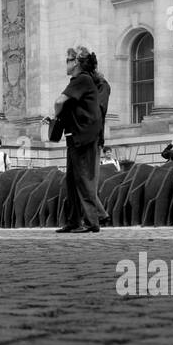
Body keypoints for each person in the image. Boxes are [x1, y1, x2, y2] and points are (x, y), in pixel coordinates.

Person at [46, 45, 110, 233]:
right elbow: (71, 107)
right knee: (73, 180)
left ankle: (92, 222)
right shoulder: (81, 80)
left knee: (83, 179)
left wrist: (56, 115)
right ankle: (74, 221)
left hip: (84, 137)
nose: (65, 64)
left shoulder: (81, 79)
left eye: (68, 60)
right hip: (76, 137)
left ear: (76, 62)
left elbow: (59, 101)